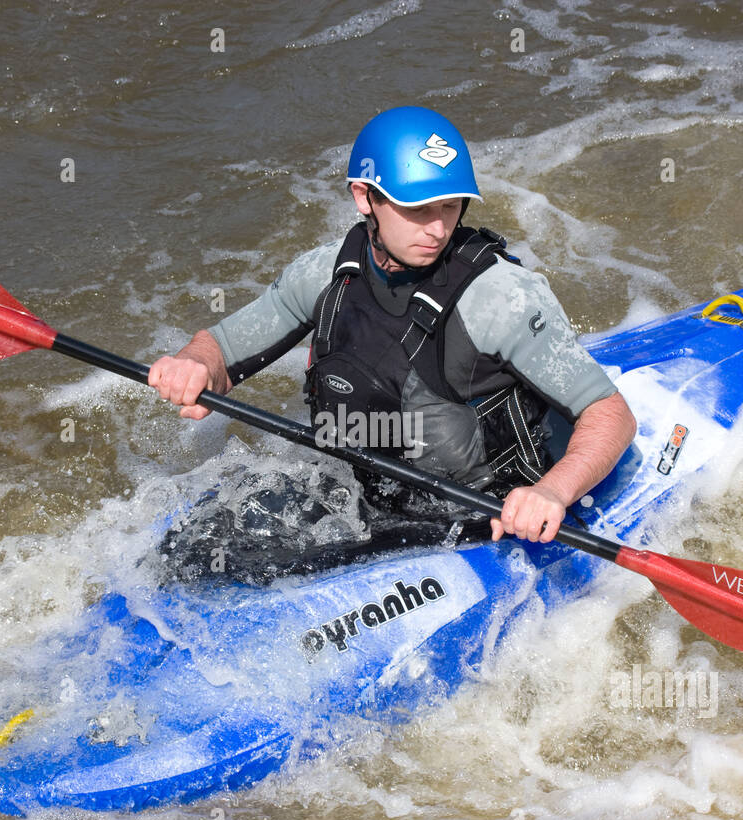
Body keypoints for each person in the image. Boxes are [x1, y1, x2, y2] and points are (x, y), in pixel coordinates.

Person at [149, 106, 635, 544]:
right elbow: (220, 346)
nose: (439, 228)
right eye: (418, 209)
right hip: (365, 496)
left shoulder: (501, 298)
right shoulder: (327, 275)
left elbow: (610, 416)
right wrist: (197, 365)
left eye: (450, 206)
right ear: (365, 198)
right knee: (198, 541)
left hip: (486, 511)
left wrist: (550, 492)